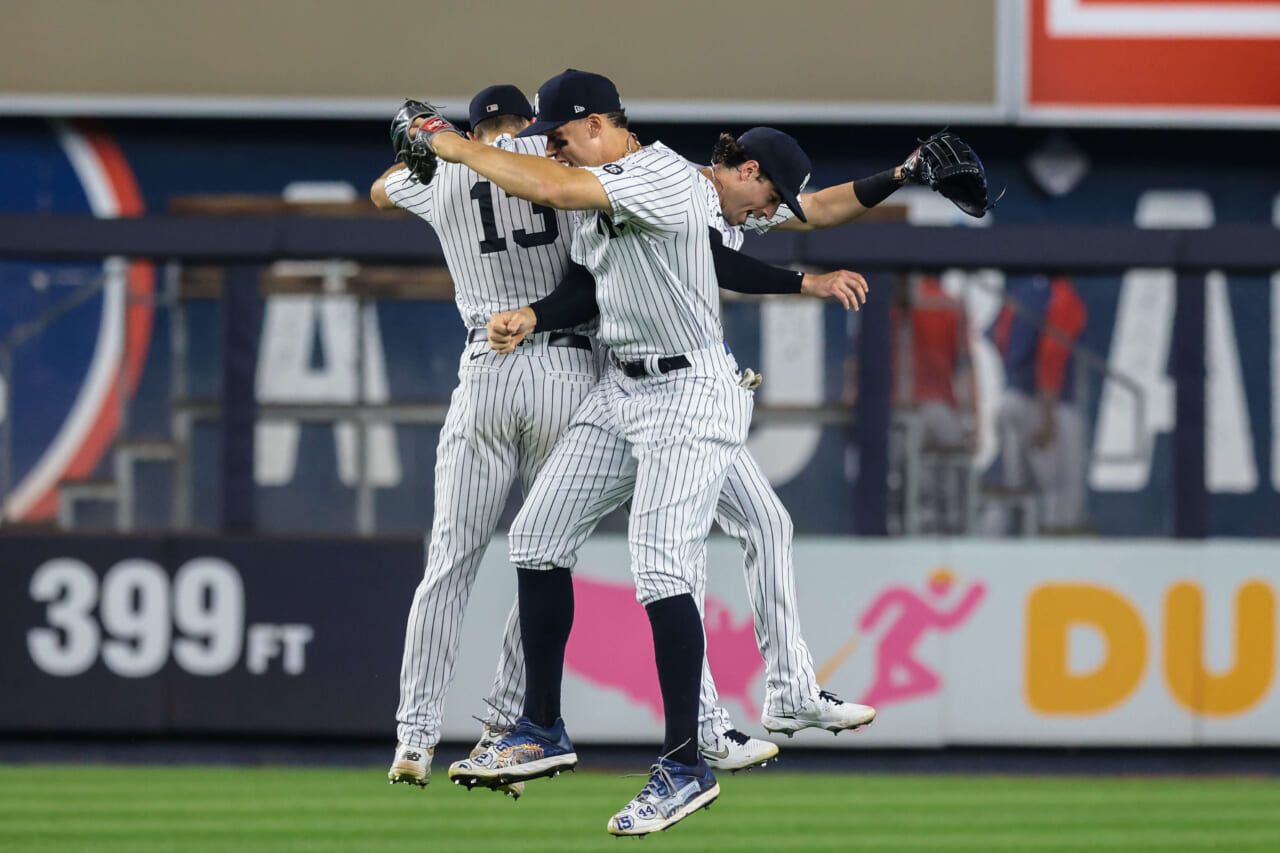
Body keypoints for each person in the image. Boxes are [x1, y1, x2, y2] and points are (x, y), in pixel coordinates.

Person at [426, 70, 893, 836]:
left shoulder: (659, 175)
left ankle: (686, 763)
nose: (553, 148)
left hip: (689, 391)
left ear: (598, 124)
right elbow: (588, 284)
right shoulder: (604, 185)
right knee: (536, 537)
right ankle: (541, 725)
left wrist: (449, 144)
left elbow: (554, 186)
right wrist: (533, 315)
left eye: (560, 135)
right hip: (623, 386)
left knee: (664, 567)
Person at [987, 274, 1088, 534]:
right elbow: (1051, 356)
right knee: (1060, 490)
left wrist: (1017, 377)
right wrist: (1047, 415)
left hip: (1012, 400)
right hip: (1049, 405)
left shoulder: (1019, 294)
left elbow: (999, 338)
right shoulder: (1063, 296)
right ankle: (1055, 552)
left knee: (1013, 490)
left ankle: (992, 544)